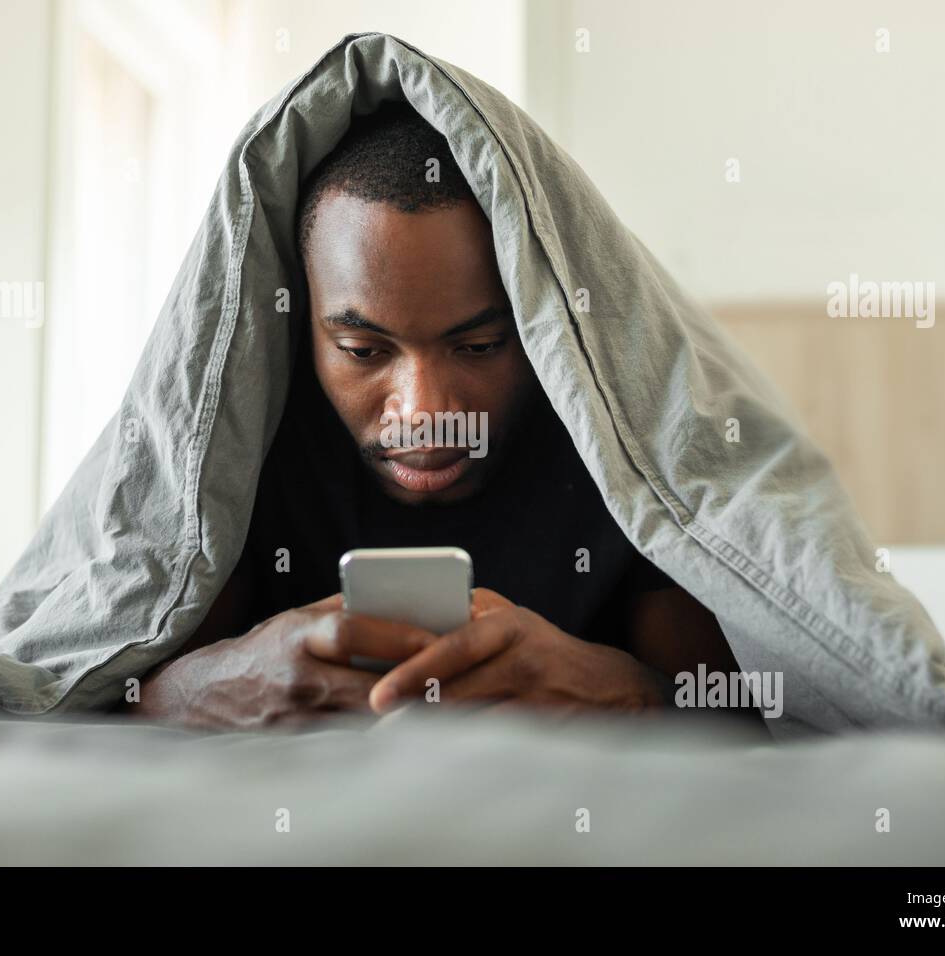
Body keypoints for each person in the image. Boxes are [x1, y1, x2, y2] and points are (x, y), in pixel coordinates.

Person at [129, 103, 747, 731]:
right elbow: (102, 685)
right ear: (299, 323)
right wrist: (212, 686)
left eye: (478, 347)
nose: (424, 414)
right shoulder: (239, 453)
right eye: (364, 352)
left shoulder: (621, 450)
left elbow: (740, 717)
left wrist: (622, 690)